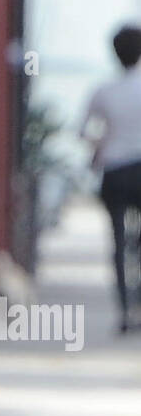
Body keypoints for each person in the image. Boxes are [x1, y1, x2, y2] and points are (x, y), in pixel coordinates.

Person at [79, 24, 141, 333]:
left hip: (115, 172)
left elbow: (83, 132)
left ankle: (124, 312)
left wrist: (102, 145)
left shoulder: (103, 91)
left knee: (117, 241)